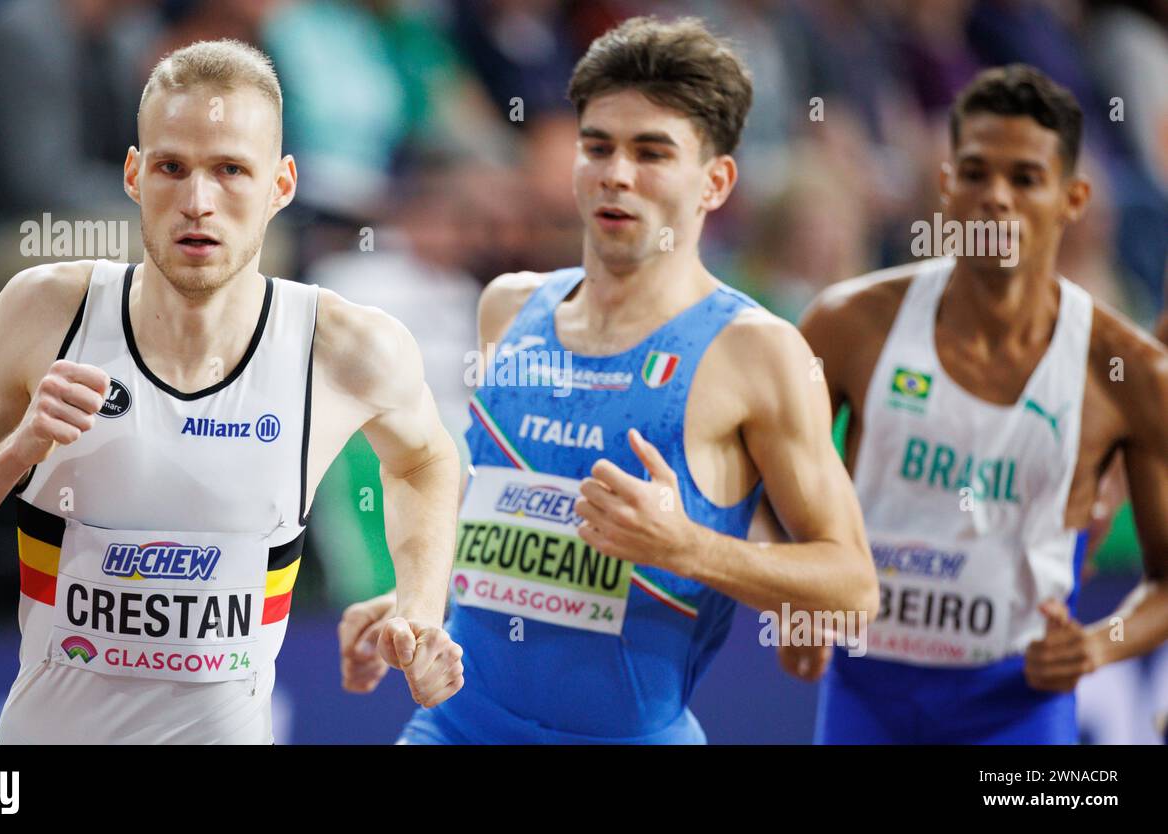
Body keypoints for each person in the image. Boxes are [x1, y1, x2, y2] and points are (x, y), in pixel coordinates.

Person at [0, 40, 464, 744]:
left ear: (282, 185)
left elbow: (425, 460)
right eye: (172, 167)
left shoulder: (344, 347)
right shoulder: (45, 312)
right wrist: (14, 453)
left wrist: (420, 607)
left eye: (230, 171)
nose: (197, 202)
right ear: (133, 174)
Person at [337, 16, 878, 745]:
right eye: (598, 147)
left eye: (651, 152)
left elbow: (852, 587)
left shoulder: (756, 352)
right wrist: (420, 597)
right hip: (456, 727)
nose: (616, 174)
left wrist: (686, 548)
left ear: (714, 182)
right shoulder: (509, 305)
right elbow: (509, 507)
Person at [785, 64, 1168, 744]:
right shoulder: (848, 324)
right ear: (945, 184)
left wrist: (1100, 643)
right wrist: (795, 596)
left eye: (1024, 178)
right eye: (974, 172)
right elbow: (760, 481)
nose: (995, 197)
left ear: (1073, 198)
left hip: (1017, 707)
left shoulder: (1125, 371)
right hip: (865, 695)